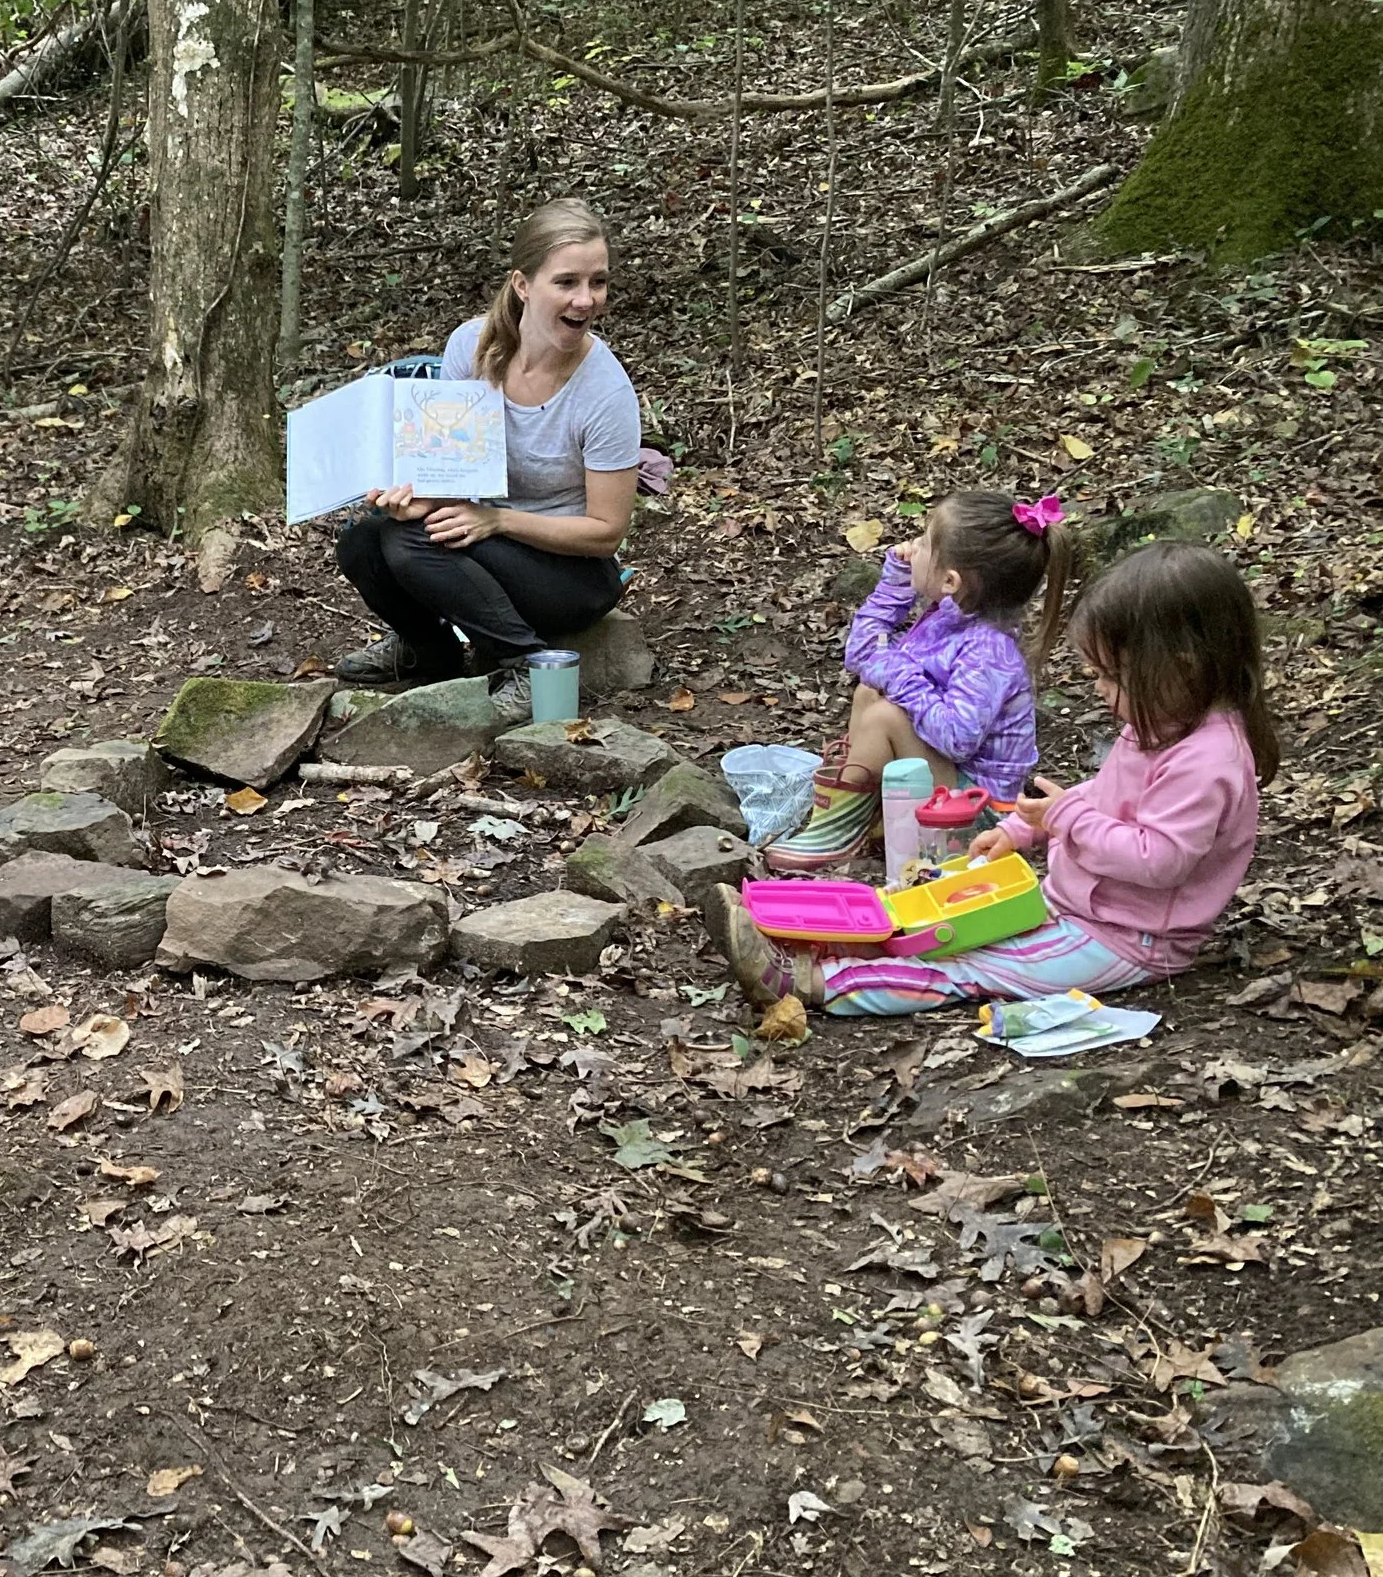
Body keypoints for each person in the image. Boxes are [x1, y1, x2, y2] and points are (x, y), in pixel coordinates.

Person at [720, 542, 1277, 1016]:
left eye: (1113, 677)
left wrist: (1065, 817)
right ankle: (808, 938)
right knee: (938, 919)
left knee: (968, 969)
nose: (1102, 691)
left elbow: (1159, 860)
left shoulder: (1207, 762)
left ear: (1181, 666)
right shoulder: (1162, 721)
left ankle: (810, 984)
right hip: (1072, 905)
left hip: (1127, 939)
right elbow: (1111, 797)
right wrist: (1027, 827)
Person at [335, 198, 642, 714]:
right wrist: (422, 500)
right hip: (488, 547)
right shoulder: (471, 347)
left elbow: (606, 533)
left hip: (573, 574)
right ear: (523, 285)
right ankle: (428, 650)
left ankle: (528, 666)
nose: (586, 300)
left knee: (411, 545)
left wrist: (497, 520)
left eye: (598, 282)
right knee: (364, 538)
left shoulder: (605, 393)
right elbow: (451, 471)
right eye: (567, 282)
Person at [765, 490, 1073, 871]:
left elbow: (957, 738)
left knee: (885, 716)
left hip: (981, 814)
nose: (912, 547)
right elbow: (862, 656)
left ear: (950, 580)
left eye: (925, 542)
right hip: (949, 785)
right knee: (868, 694)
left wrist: (903, 677)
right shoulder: (948, 616)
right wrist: (895, 587)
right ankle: (858, 814)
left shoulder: (990, 652)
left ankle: (840, 829)